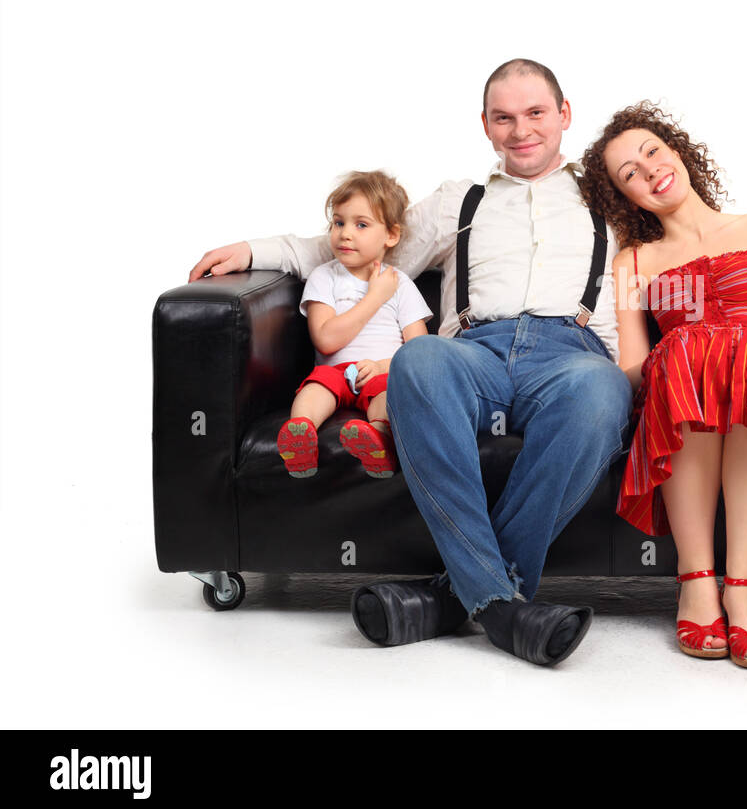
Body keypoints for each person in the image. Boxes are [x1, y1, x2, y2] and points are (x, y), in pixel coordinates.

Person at [188, 59, 632, 667]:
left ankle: (464, 599)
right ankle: (500, 605)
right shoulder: (460, 201)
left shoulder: (607, 199)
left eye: (535, 114)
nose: (521, 130)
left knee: (603, 391)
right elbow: (356, 241)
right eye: (504, 117)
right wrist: (255, 249)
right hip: (471, 350)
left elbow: (687, 241)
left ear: (564, 116)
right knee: (419, 358)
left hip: (570, 355)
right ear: (485, 124)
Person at [579, 102, 747, 669]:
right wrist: (697, 351)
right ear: (627, 198)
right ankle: (695, 580)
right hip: (682, 384)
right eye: (629, 175)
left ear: (678, 152)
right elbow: (636, 365)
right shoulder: (635, 262)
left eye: (652, 153)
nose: (649, 172)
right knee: (690, 352)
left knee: (746, 353)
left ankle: (742, 587)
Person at [277, 170, 432, 479]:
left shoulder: (399, 283)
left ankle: (377, 439)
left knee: (388, 397)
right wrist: (374, 298)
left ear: (391, 235)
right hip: (334, 372)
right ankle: (300, 434)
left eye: (361, 224)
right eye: (338, 222)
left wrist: (383, 366)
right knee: (316, 387)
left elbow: (421, 351)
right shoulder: (325, 277)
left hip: (381, 372)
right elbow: (325, 340)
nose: (345, 233)